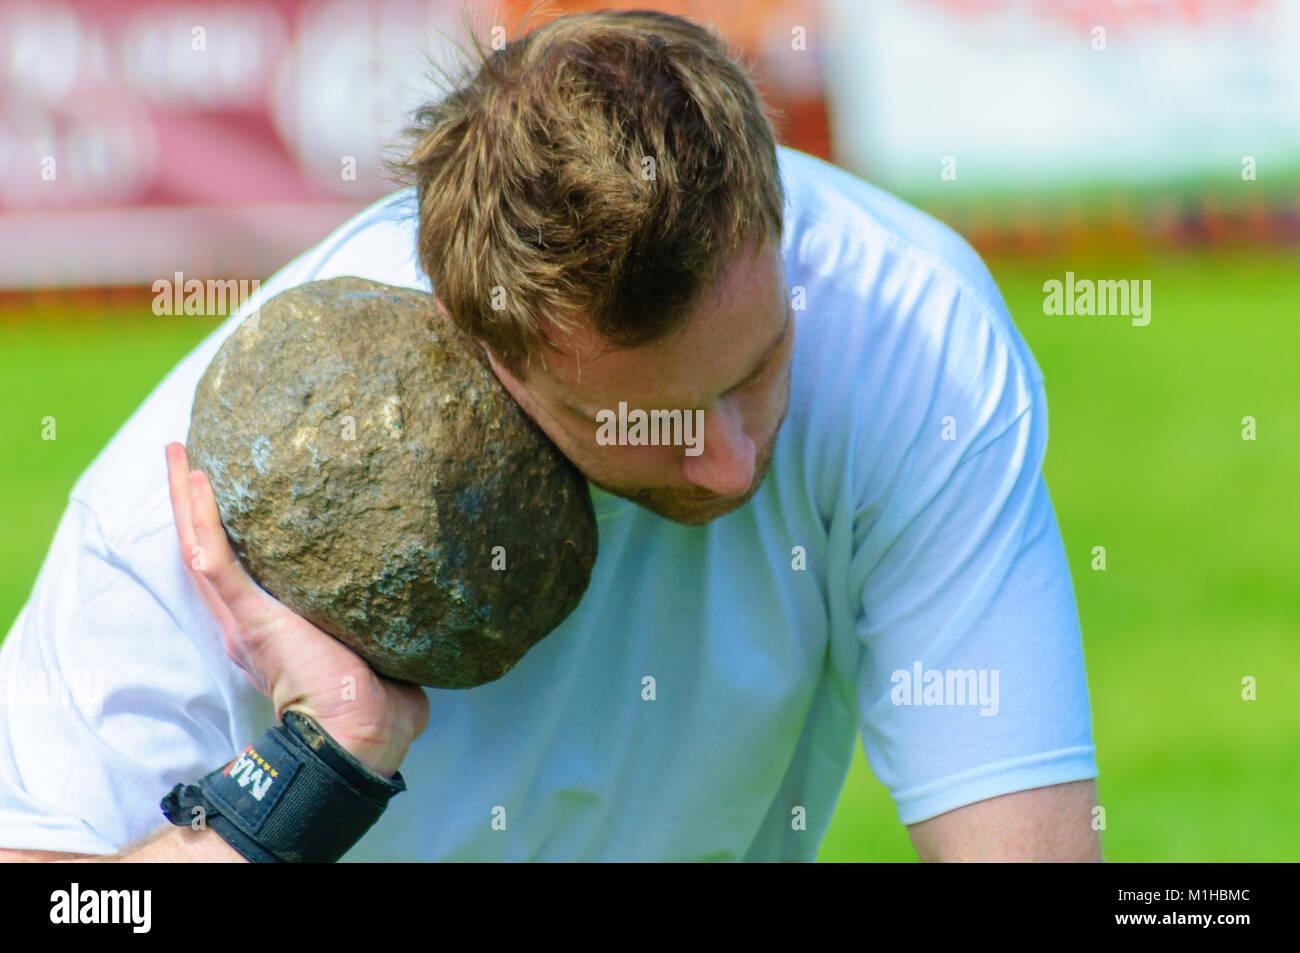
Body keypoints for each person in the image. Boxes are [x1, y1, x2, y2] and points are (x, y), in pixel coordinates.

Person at [0, 10, 1099, 862]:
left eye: (758, 371)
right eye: (652, 420)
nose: (732, 460)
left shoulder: (903, 334)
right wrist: (313, 767)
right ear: (484, 342)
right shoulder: (189, 513)